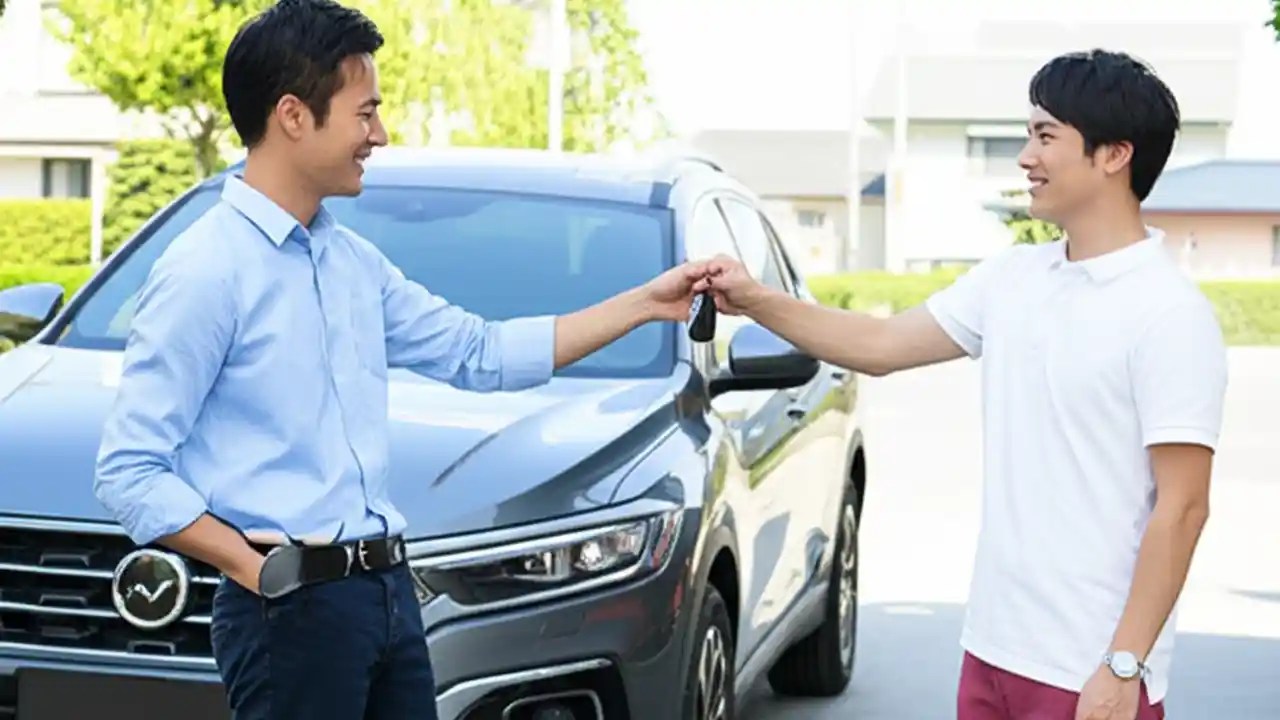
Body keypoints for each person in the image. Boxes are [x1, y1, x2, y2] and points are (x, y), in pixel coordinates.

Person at [91, 0, 708, 718]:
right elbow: (129, 470)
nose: (379, 135)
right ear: (293, 116)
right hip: (289, 609)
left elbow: (482, 354)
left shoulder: (351, 261)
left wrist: (646, 302)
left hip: (385, 596)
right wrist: (253, 570)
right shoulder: (207, 269)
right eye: (365, 113)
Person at [696, 49, 1226, 720]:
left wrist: (1125, 665)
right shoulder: (1014, 279)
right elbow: (881, 346)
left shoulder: (1169, 314)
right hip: (993, 653)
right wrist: (755, 298)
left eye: (1045, 136)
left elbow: (1182, 509)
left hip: (1090, 672)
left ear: (1114, 155)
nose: (1025, 157)